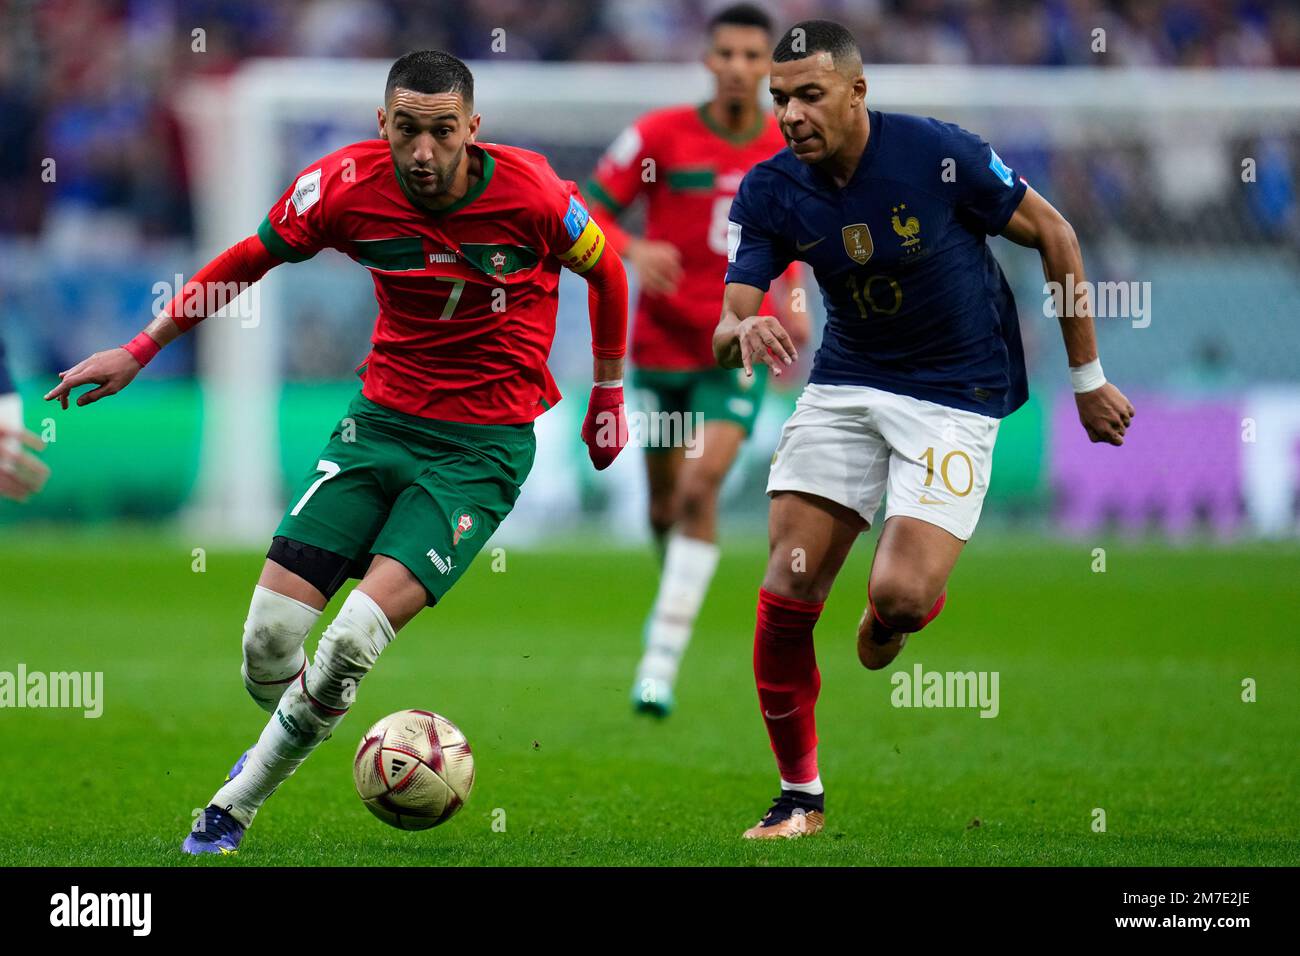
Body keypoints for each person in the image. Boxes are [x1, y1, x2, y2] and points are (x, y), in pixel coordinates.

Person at [45, 50, 630, 855]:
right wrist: (142, 349)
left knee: (353, 638)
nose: (424, 152)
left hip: (481, 450)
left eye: (443, 132)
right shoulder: (345, 187)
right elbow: (244, 262)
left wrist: (607, 392)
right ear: (382, 123)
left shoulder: (531, 194)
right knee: (267, 644)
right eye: (409, 131)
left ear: (473, 130)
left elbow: (610, 274)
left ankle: (233, 805)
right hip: (376, 425)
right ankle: (305, 723)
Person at [713, 20, 1135, 838]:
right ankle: (799, 795)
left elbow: (1056, 234)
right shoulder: (769, 189)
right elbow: (731, 313)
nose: (792, 114)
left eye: (810, 95)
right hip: (845, 385)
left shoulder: (939, 156)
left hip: (956, 391)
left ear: (857, 92)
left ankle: (896, 610)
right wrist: (740, 331)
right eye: (780, 99)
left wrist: (1087, 379)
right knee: (787, 582)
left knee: (899, 600)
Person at [585, 3, 807, 716]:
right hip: (658, 349)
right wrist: (633, 248)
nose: (740, 68)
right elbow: (583, 207)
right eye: (728, 55)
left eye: (753, 56)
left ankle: (660, 661)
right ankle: (678, 588)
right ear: (708, 61)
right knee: (661, 502)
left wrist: (795, 298)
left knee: (698, 488)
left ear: (768, 67)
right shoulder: (659, 137)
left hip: (737, 340)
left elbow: (800, 238)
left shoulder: (789, 146)